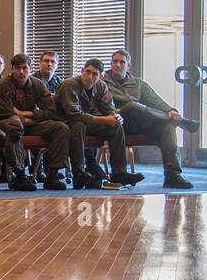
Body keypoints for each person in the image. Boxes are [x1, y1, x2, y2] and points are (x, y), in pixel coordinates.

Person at [104, 50, 196, 189]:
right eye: (115, 62)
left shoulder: (138, 84)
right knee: (132, 106)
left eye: (122, 62)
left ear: (128, 66)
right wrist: (111, 111)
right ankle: (173, 120)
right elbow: (98, 105)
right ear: (111, 64)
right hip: (119, 124)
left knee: (167, 128)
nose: (117, 65)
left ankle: (173, 176)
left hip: (141, 122)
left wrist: (171, 111)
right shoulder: (102, 83)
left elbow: (155, 101)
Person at [54, 59, 145, 189]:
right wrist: (105, 119)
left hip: (88, 123)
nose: (90, 77)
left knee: (116, 126)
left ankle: (119, 174)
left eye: (95, 74)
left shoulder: (101, 86)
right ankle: (79, 174)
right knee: (79, 124)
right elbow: (73, 115)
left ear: (100, 76)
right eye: (88, 72)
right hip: (65, 124)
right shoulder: (70, 85)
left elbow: (109, 109)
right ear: (82, 71)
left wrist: (115, 117)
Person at [0, 53, 69, 191]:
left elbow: (51, 111)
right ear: (12, 69)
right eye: (18, 68)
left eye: (24, 68)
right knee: (14, 124)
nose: (21, 72)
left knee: (60, 127)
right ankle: (19, 175)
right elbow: (6, 113)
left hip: (30, 123)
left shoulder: (37, 84)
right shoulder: (2, 85)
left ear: (30, 69)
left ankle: (52, 175)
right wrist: (25, 117)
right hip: (4, 123)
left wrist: (26, 114)